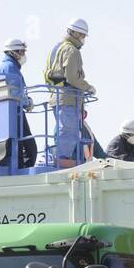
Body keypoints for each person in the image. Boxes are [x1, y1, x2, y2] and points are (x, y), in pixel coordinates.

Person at [43, 18, 97, 168]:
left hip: (56, 96)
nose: (83, 39)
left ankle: (58, 157)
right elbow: (73, 77)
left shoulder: (57, 48)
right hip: (68, 98)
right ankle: (62, 160)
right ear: (76, 33)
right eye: (82, 35)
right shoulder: (72, 51)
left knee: (61, 130)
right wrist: (88, 87)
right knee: (69, 131)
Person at [0, 37, 37, 169]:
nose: (24, 55)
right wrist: (27, 102)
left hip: (8, 112)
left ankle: (20, 168)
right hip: (15, 111)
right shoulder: (10, 68)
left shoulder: (6, 67)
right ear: (14, 52)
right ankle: (24, 172)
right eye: (22, 52)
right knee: (30, 149)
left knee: (19, 147)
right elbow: (14, 92)